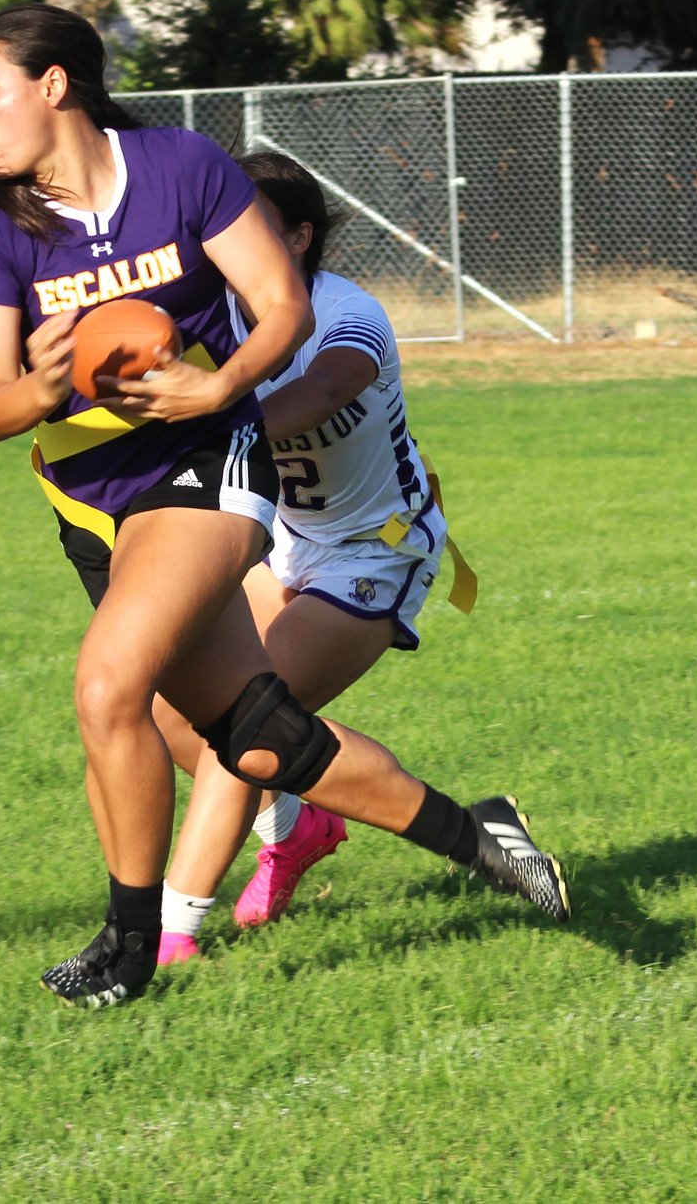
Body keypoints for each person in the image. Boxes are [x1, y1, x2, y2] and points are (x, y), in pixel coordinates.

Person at [0, 2, 570, 1010]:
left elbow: (282, 305)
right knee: (258, 738)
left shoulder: (183, 168)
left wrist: (216, 385)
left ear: (52, 84)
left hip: (205, 463)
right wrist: (47, 379)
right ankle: (479, 838)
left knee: (108, 686)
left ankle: (130, 943)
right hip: (85, 496)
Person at [152, 150, 475, 963]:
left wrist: (213, 409)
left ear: (297, 237)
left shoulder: (346, 313)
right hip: (284, 542)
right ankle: (297, 826)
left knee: (246, 725)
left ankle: (171, 938)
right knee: (166, 709)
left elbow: (322, 394)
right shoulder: (214, 309)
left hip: (374, 547)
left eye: (244, 218)